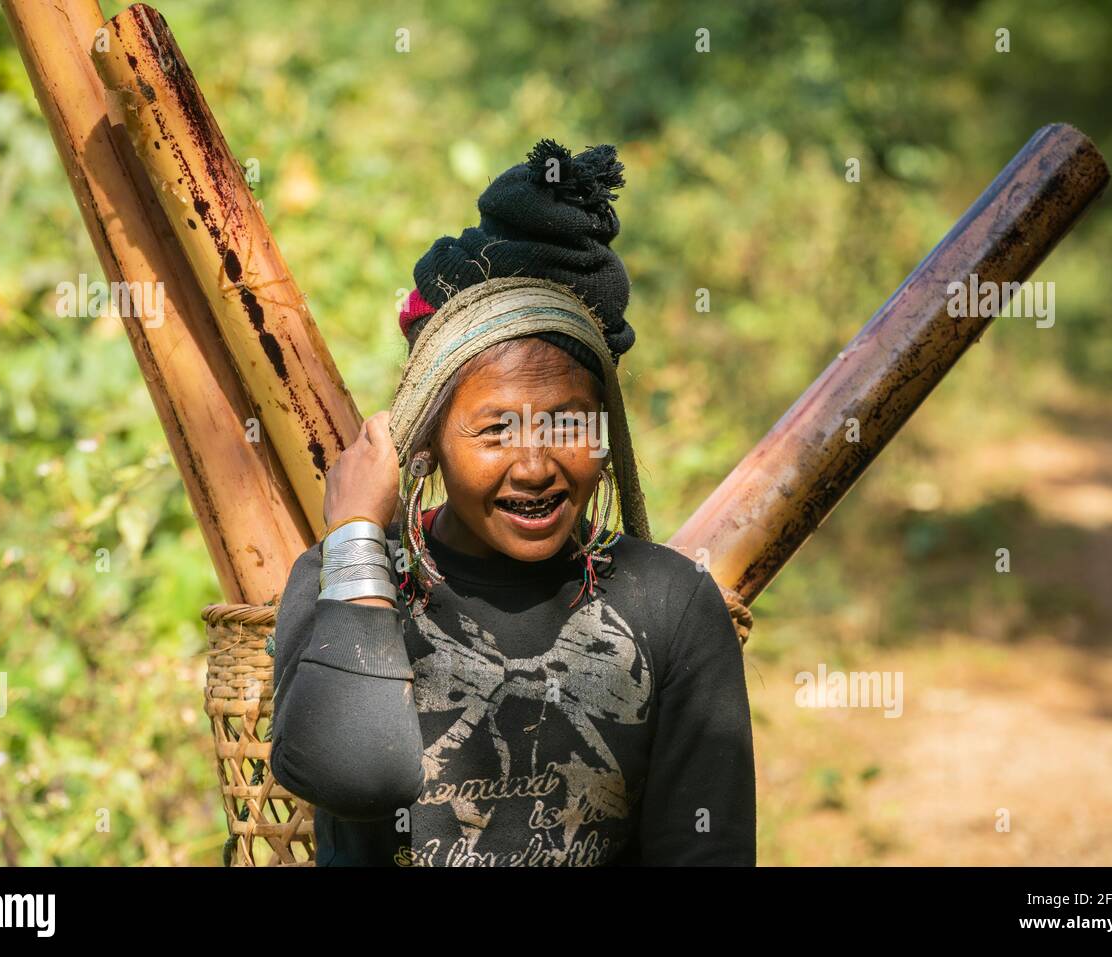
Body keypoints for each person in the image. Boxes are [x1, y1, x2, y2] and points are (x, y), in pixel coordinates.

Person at [270, 138, 756, 866]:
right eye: (496, 428)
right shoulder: (342, 582)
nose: (534, 466)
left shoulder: (670, 604)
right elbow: (357, 774)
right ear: (427, 434)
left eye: (568, 424)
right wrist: (357, 535)